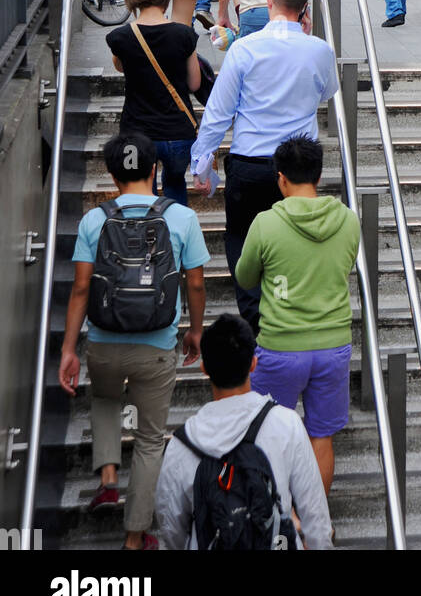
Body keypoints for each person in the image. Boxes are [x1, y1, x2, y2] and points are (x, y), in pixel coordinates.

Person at [59, 133, 209, 551]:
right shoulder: (181, 218)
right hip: (157, 345)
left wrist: (70, 349)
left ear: (111, 173)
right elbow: (195, 284)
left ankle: (108, 475)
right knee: (148, 440)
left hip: (104, 342)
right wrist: (195, 331)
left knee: (105, 399)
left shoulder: (95, 219)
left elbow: (80, 289)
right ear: (154, 169)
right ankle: (133, 537)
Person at [189, 0, 339, 331]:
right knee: (297, 236)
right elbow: (326, 93)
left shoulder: (244, 49)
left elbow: (219, 112)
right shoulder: (319, 50)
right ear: (305, 11)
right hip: (299, 166)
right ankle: (295, 309)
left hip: (249, 163)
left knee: (241, 236)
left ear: (269, 2)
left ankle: (256, 320)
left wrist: (202, 163)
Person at [237, 138, 360, 497]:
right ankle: (316, 525)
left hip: (280, 347)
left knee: (267, 434)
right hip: (333, 345)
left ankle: (279, 517)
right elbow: (345, 266)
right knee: (320, 437)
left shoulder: (265, 224)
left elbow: (245, 278)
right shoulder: (348, 221)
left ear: (280, 178)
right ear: (318, 176)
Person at [155, 313, 333, 551]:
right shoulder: (287, 424)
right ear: (253, 364)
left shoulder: (182, 443)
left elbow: (170, 527)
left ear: (204, 368)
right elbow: (315, 514)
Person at [107, 0, 200, 204]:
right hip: (179, 134)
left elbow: (120, 66)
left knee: (141, 193)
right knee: (176, 182)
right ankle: (176, 235)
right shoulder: (184, 35)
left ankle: (147, 236)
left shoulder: (120, 37)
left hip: (137, 135)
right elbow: (194, 83)